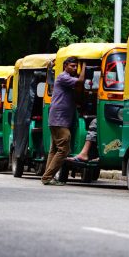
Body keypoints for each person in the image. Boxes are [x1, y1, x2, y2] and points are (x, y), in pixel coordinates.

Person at [41, 56, 81, 186]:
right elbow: (80, 81)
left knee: (54, 150)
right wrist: (85, 65)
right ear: (65, 66)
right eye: (72, 66)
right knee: (64, 148)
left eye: (76, 66)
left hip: (58, 119)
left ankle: (47, 177)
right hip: (58, 120)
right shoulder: (63, 77)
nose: (75, 68)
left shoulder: (66, 79)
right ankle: (47, 177)